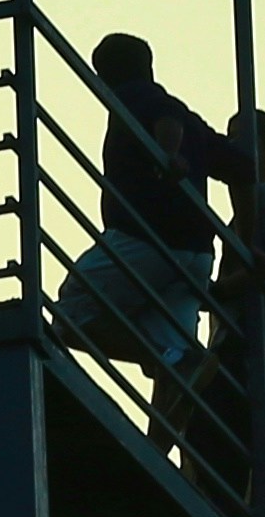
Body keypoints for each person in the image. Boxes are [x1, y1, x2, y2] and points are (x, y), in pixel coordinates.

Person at [170, 107, 265, 502]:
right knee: (240, 416)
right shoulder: (258, 200)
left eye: (242, 137)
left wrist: (219, 291)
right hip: (246, 327)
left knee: (225, 416)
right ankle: (244, 486)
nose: (232, 143)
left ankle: (246, 487)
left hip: (254, 328)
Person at [55, 31, 226, 382]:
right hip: (196, 253)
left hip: (146, 238)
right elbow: (242, 167)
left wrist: (168, 154)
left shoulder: (132, 96)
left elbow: (163, 115)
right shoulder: (191, 121)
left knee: (71, 313)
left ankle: (167, 355)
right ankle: (162, 423)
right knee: (179, 367)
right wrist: (254, 241)